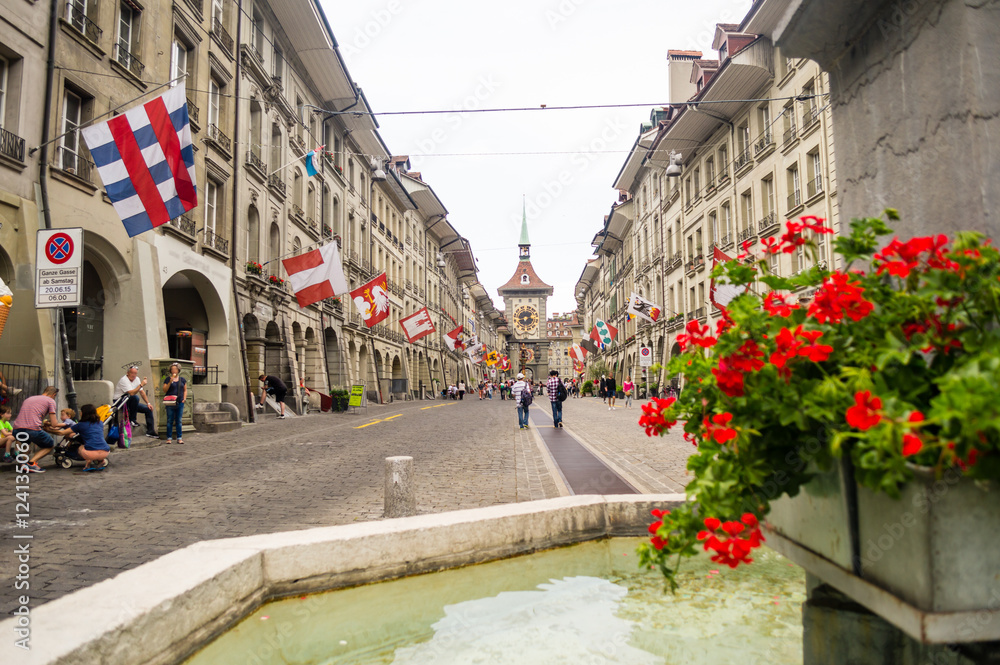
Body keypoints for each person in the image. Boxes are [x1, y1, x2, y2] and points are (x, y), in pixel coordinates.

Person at [13, 386, 59, 473]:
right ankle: (31, 464)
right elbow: (54, 424)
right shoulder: (50, 401)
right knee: (49, 444)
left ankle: (23, 465)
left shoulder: (29, 399)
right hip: (32, 429)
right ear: (54, 394)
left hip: (16, 429)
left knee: (26, 443)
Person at [53, 404, 110, 472]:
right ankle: (101, 461)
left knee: (81, 447)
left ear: (84, 413)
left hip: (90, 454)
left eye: (81, 411)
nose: (80, 413)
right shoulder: (100, 423)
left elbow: (61, 433)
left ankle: (88, 463)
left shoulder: (80, 425)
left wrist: (48, 429)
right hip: (105, 452)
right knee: (94, 444)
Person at [113, 366, 158, 438]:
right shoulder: (124, 380)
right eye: (132, 373)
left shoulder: (137, 379)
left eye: (135, 373)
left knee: (148, 409)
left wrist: (148, 403)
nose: (133, 375)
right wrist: (141, 384)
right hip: (120, 401)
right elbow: (131, 393)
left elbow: (142, 392)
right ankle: (132, 420)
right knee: (135, 397)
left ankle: (150, 431)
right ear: (128, 373)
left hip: (130, 402)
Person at [163, 363, 189, 444]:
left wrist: (184, 399)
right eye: (172, 369)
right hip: (170, 402)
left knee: (179, 420)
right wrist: (170, 382)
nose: (173, 370)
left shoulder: (182, 380)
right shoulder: (167, 379)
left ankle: (179, 437)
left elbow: (185, 390)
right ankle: (169, 437)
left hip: (179, 401)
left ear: (178, 370)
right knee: (170, 420)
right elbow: (164, 390)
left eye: (175, 369)